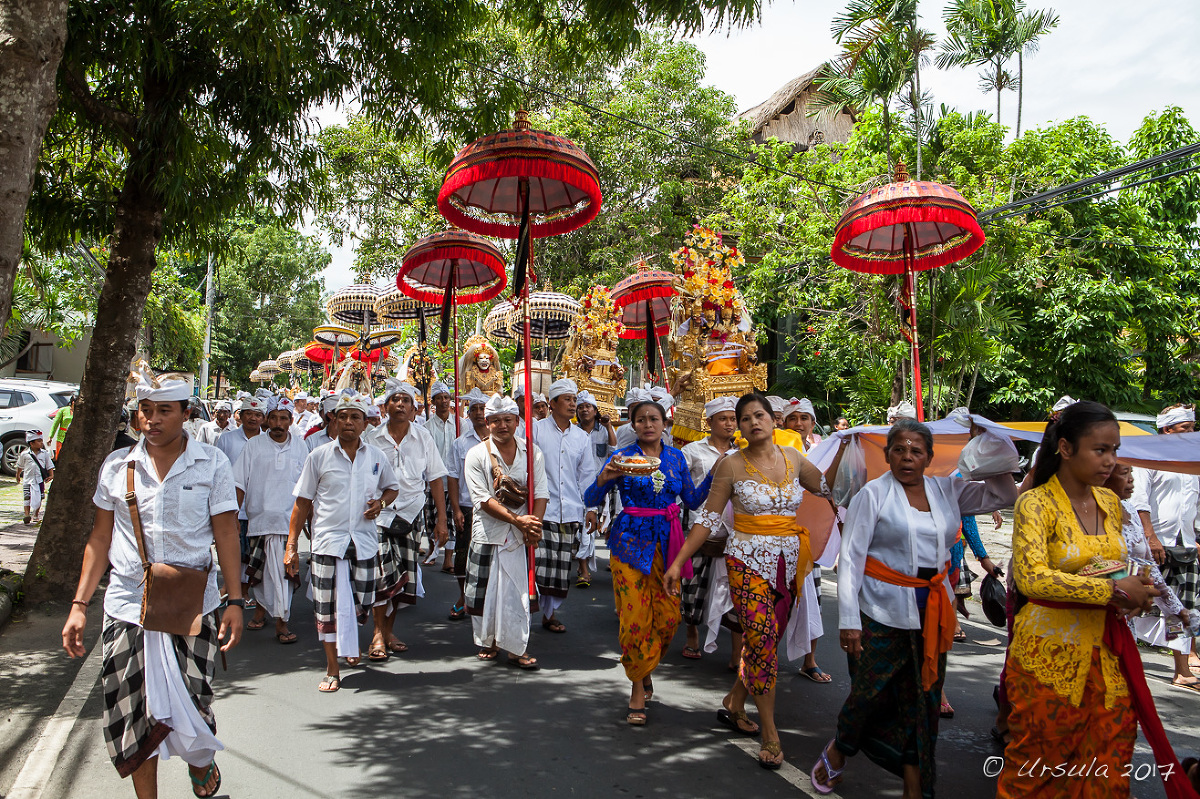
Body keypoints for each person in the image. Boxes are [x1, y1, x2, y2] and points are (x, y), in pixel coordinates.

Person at [812, 418, 1017, 797]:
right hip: (878, 611)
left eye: (916, 451)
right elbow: (852, 560)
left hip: (931, 615)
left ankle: (914, 785)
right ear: (888, 455)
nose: (907, 457)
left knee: (922, 702)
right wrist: (848, 622)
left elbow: (1004, 495)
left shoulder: (947, 491)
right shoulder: (872, 495)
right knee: (869, 693)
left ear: (930, 458)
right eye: (899, 450)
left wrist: (988, 442)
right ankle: (839, 748)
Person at [61, 370, 243, 798]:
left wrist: (235, 600)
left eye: (165, 410)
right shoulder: (116, 465)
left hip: (192, 604)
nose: (153, 419)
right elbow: (100, 538)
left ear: (186, 414)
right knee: (130, 713)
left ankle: (200, 763)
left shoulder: (212, 462)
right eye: (146, 409)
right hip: (127, 604)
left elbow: (227, 534)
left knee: (195, 701)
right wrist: (79, 603)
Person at [995, 401, 1174, 799]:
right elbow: (1031, 577)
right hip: (1048, 652)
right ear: (1066, 448)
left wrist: (1138, 588)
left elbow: (1110, 565)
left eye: (1115, 450)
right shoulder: (1035, 503)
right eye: (1101, 449)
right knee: (1038, 766)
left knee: (1108, 762)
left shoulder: (1110, 503)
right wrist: (1112, 591)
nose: (1110, 460)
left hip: (1106, 654)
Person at [668, 393, 842, 768]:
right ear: (740, 428)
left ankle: (734, 701)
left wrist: (848, 446)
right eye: (744, 419)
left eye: (759, 415)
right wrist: (679, 561)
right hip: (746, 560)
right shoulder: (729, 465)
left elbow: (828, 488)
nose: (752, 422)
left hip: (789, 562)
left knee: (768, 641)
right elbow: (709, 519)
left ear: (773, 420)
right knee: (761, 638)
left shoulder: (795, 459)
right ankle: (770, 732)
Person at [583, 400, 712, 726]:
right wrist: (604, 478)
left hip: (669, 544)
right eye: (640, 420)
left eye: (653, 418)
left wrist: (717, 472)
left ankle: (646, 665)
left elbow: (693, 499)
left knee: (669, 619)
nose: (647, 424)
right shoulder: (622, 458)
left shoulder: (675, 458)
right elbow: (589, 499)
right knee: (635, 617)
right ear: (634, 425)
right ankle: (637, 686)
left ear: (664, 422)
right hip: (629, 544)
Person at [286, 393, 399, 692]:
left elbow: (392, 488)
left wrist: (381, 504)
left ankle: (350, 641)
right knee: (327, 609)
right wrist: (292, 546)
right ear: (333, 421)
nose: (348, 422)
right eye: (343, 417)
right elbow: (302, 503)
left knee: (363, 601)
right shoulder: (319, 456)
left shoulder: (377, 457)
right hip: (327, 543)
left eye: (355, 417)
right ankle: (332, 668)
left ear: (365, 424)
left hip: (363, 542)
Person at [366, 379, 448, 660]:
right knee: (380, 576)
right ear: (385, 406)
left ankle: (389, 631)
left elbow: (436, 478)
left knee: (403, 578)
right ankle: (377, 633)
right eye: (394, 400)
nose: (400, 404)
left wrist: (441, 522)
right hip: (378, 516)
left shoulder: (424, 437)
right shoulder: (371, 438)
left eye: (405, 400)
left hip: (412, 514)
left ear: (414, 408)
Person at [463, 393, 547, 669]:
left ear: (517, 421)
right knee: (486, 591)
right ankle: (487, 640)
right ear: (487, 423)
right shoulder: (476, 454)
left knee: (517, 592)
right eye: (496, 421)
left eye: (508, 420)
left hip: (521, 534)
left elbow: (541, 493)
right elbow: (483, 500)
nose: (502, 426)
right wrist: (519, 521)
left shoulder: (532, 452)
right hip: (489, 532)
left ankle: (515, 646)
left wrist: (533, 524)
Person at [1131, 404, 1199, 689]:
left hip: (1184, 543)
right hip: (1154, 545)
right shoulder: (1149, 457)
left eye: (1193, 427)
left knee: (1182, 607)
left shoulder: (1192, 461)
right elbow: (1139, 500)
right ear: (1167, 430)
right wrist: (1151, 537)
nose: (1192, 433)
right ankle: (1118, 651)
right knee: (1137, 604)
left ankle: (1182, 667)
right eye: (1186, 428)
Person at [233, 395, 307, 644]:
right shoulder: (254, 446)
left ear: (291, 421)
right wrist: (233, 516)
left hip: (289, 522)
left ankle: (282, 623)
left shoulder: (300, 446)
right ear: (267, 420)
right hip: (259, 521)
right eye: (273, 417)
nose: (278, 423)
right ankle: (263, 610)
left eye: (283, 418)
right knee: (261, 574)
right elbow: (239, 482)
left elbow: (307, 489)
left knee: (285, 576)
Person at [532, 378, 598, 634]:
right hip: (541, 509)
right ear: (553, 403)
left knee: (560, 568)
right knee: (538, 564)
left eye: (574, 399)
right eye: (568, 400)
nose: (573, 404)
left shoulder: (581, 437)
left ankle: (550, 614)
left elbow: (587, 475)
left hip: (569, 509)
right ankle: (529, 612)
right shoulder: (536, 431)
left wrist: (591, 508)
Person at [677, 397, 739, 665]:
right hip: (700, 527)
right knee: (693, 587)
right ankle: (692, 632)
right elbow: (682, 491)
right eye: (723, 418)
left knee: (734, 592)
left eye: (733, 419)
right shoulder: (692, 451)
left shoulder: (744, 452)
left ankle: (736, 652)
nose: (729, 424)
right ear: (709, 422)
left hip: (734, 532)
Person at [1108, 463, 1195, 649]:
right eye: (1124, 473)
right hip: (1093, 616)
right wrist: (1119, 584)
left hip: (1123, 621)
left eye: (1131, 472)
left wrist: (1178, 611)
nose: (1132, 479)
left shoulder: (1129, 509)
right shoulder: (1086, 511)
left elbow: (1150, 568)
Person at [447, 388, 489, 620]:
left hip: (493, 506)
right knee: (463, 555)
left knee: (489, 555)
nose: (479, 413)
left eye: (482, 408)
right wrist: (455, 509)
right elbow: (453, 476)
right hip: (466, 505)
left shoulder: (499, 439)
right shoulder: (460, 443)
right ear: (469, 414)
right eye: (474, 409)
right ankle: (463, 597)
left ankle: (486, 599)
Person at [574, 390, 615, 586]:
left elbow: (613, 451)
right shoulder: (573, 431)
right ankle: (583, 569)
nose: (584, 410)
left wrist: (609, 427)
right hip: (577, 484)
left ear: (595, 410)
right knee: (583, 525)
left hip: (600, 485)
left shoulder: (604, 430)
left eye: (587, 407)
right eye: (580, 407)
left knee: (595, 525)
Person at [422, 381, 457, 572]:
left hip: (453, 481)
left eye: (446, 397)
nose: (443, 401)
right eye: (439, 398)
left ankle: (448, 559)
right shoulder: (426, 428)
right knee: (431, 518)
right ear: (433, 401)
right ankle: (433, 549)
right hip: (432, 482)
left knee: (450, 519)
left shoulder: (461, 424)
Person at [19, 429, 54, 524]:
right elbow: (20, 466)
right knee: (27, 497)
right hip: (27, 480)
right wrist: (18, 475)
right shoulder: (24, 454)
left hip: (39, 480)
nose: (41, 443)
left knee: (40, 497)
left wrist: (51, 475)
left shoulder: (44, 454)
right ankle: (27, 515)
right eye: (38, 441)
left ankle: (36, 514)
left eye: (41, 441)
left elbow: (49, 465)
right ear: (31, 443)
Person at [47, 393, 76, 458]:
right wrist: (50, 436)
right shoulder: (63, 410)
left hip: (74, 437)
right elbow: (55, 424)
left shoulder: (80, 412)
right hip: (62, 437)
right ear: (73, 402)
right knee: (60, 456)